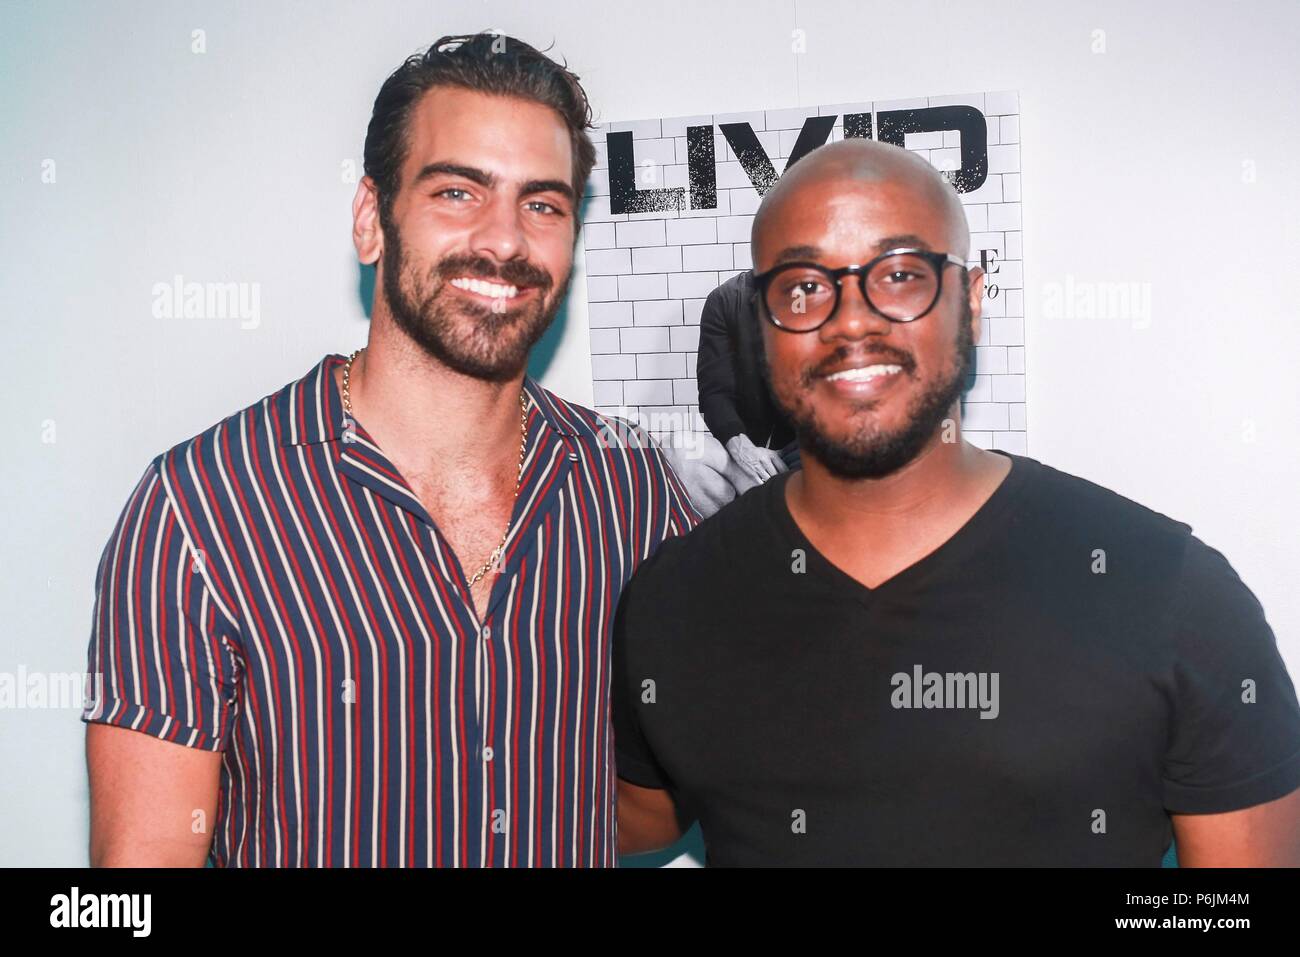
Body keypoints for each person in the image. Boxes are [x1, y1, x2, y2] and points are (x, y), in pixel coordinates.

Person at [81, 32, 697, 868]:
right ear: (373, 220)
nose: (505, 240)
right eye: (458, 192)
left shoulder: (631, 487)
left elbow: (647, 810)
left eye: (543, 204)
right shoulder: (201, 507)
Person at [612, 137, 1300, 866]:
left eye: (901, 274)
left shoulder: (1171, 591)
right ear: (764, 325)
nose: (851, 320)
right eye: (805, 286)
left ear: (971, 303)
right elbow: (634, 822)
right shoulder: (675, 598)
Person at [697, 269, 799, 484]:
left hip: (803, 453)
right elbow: (714, 392)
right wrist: (741, 447)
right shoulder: (725, 299)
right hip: (746, 449)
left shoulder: (823, 297)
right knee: (678, 448)